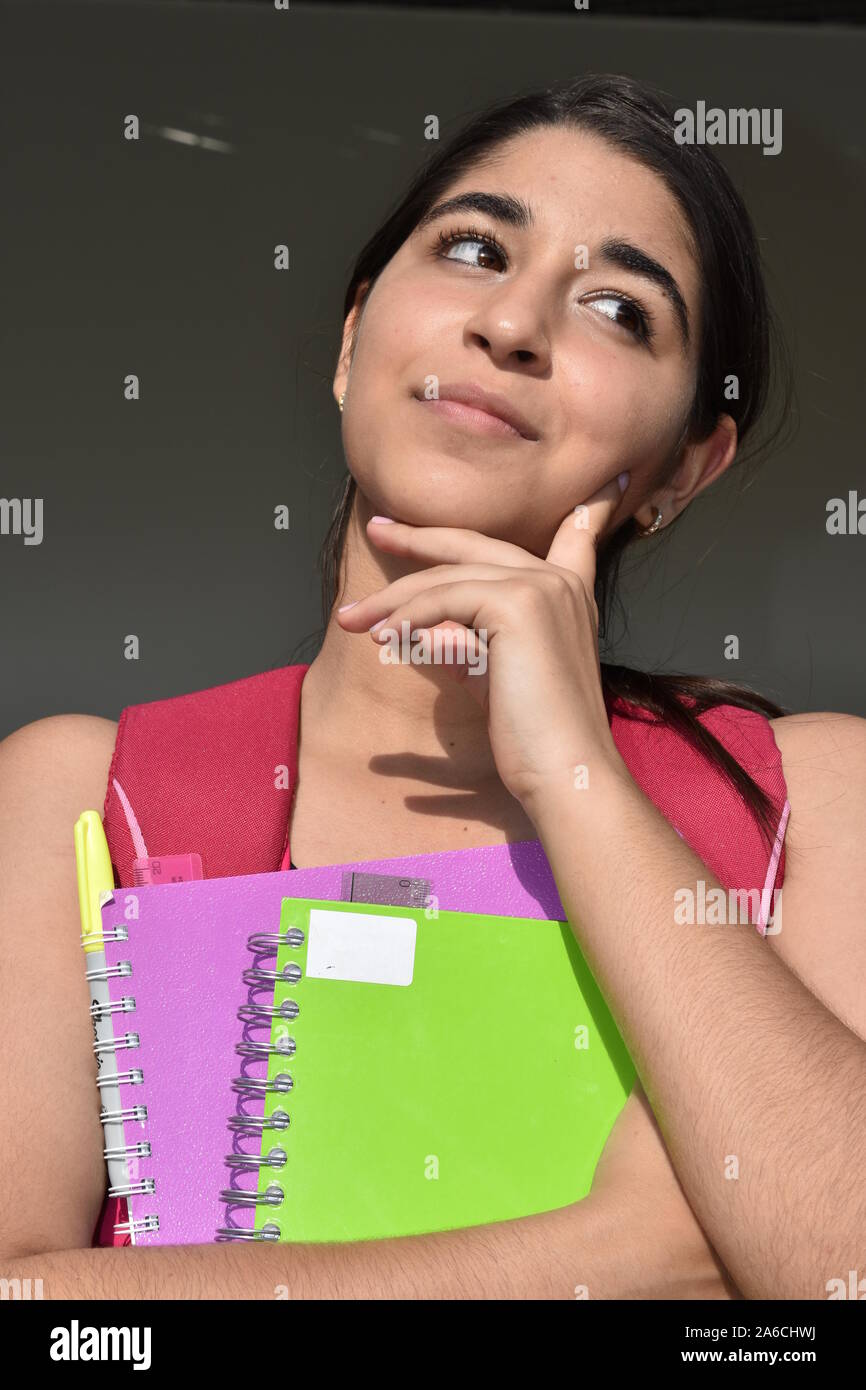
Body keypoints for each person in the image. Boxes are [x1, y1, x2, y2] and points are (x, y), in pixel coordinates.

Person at [1, 73, 864, 1301]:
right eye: (471, 248)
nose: (513, 324)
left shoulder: (813, 801)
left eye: (618, 308)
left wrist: (571, 777)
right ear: (354, 339)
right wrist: (619, 1255)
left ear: (683, 464)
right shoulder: (84, 798)